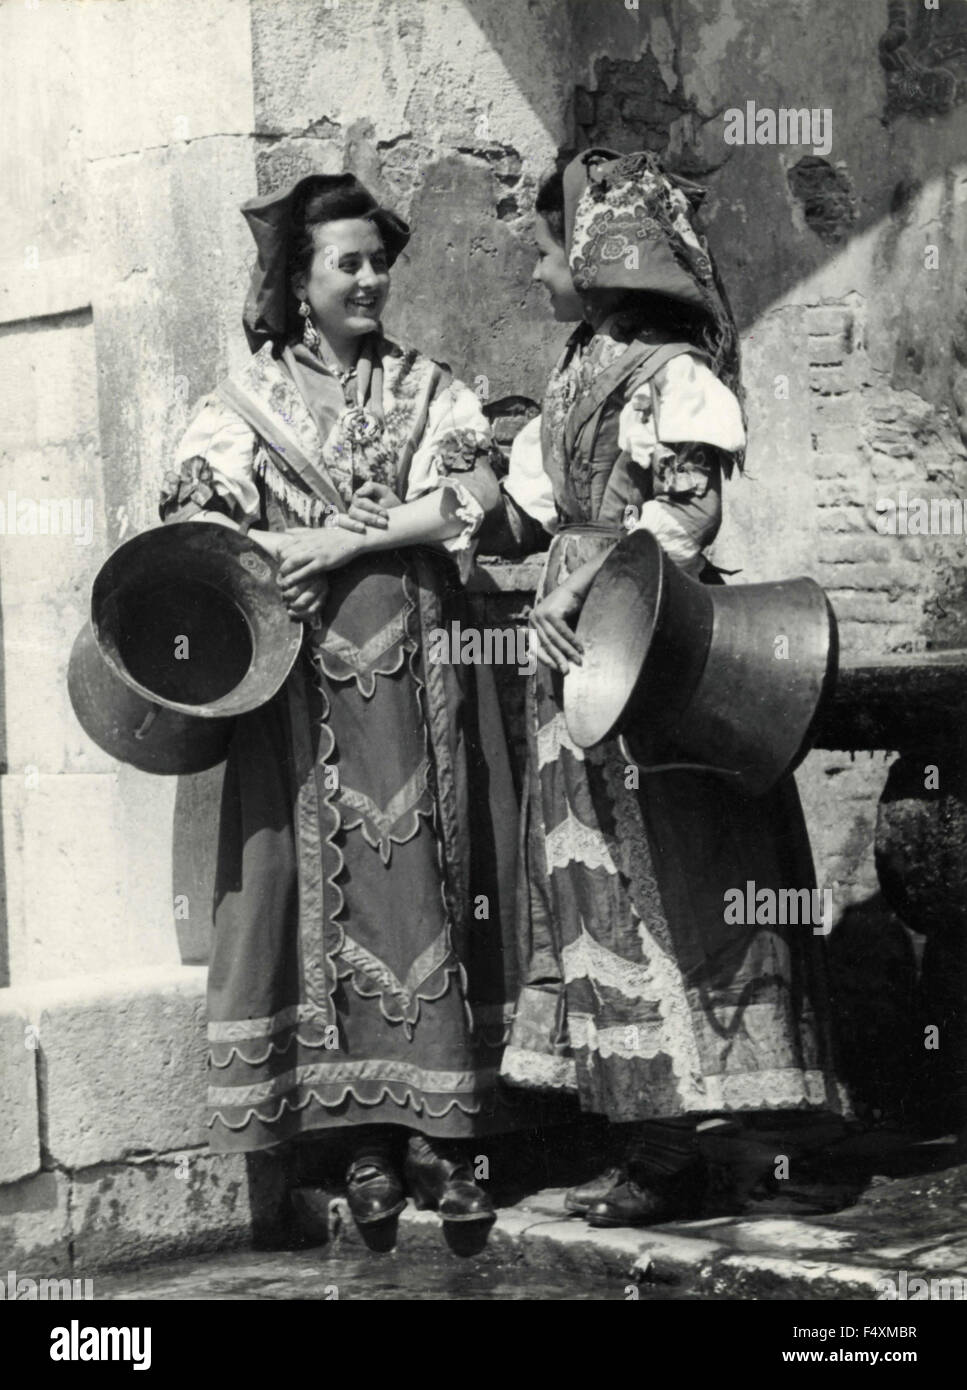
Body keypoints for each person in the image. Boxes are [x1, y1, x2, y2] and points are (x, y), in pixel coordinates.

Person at [489, 149, 846, 1228]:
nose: (538, 262)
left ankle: (690, 1146)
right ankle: (648, 1135)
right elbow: (529, 507)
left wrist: (586, 581)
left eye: (548, 243)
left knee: (679, 881)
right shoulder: (576, 371)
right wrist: (476, 499)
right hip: (570, 661)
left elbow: (681, 521)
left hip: (651, 649)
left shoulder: (674, 375)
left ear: (600, 259)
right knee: (592, 890)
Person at [159, 171, 522, 1231]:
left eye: (378, 263)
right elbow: (199, 527)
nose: (369, 280)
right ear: (298, 283)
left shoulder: (426, 389)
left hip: (420, 676)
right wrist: (280, 551)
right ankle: (357, 1141)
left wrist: (354, 535)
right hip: (300, 687)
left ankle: (442, 1136)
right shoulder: (242, 404)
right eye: (346, 264)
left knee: (427, 881)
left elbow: (473, 496)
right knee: (317, 892)